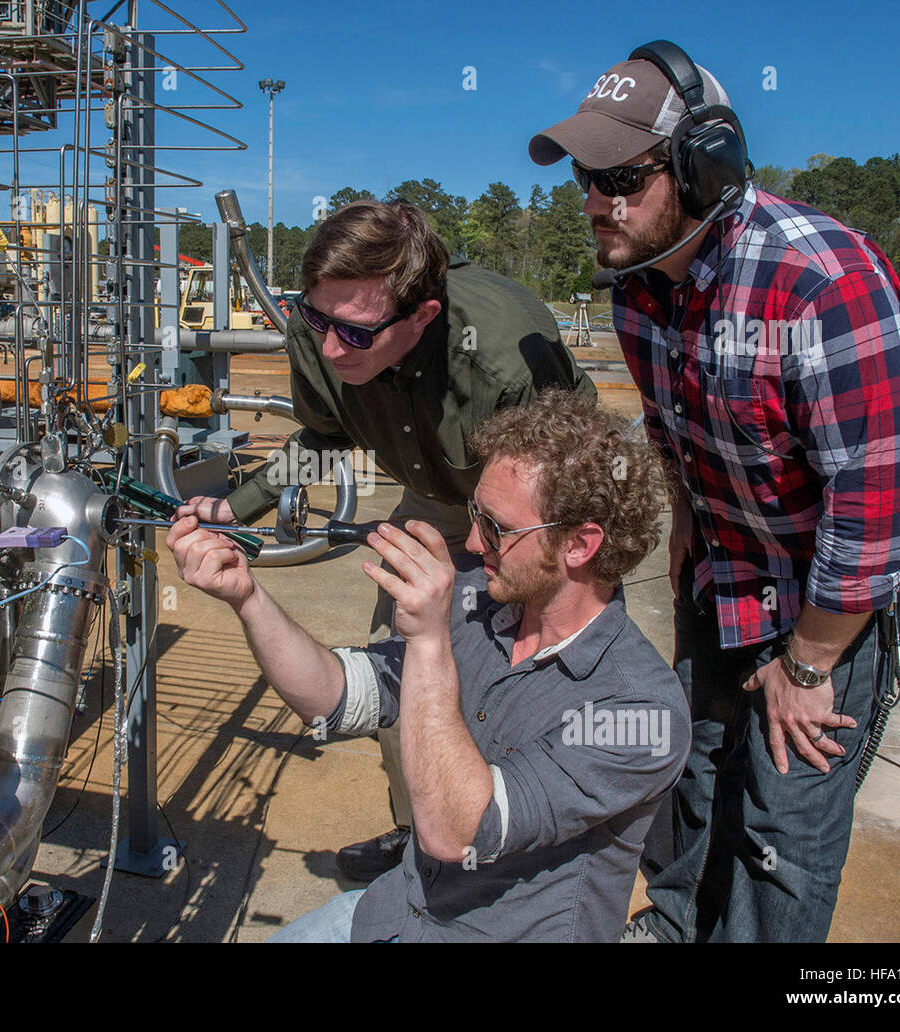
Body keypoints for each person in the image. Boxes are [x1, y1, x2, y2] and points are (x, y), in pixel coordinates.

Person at [528, 40, 900, 942]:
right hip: (727, 553)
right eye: (586, 181)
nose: (598, 201)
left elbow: (876, 508)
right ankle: (678, 927)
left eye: (622, 177)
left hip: (839, 581)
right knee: (695, 758)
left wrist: (809, 665)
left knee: (782, 815)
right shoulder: (637, 288)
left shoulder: (820, 281)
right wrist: (687, 511)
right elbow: (670, 416)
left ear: (702, 167)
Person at [168, 388, 688, 941]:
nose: (470, 541)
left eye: (497, 528)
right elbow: (335, 698)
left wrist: (430, 640)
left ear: (580, 545)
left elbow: (461, 832)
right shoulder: (480, 603)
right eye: (475, 516)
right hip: (397, 910)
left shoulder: (641, 711)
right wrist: (246, 597)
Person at [179, 200, 595, 881]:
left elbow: (562, 493)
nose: (331, 346)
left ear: (423, 316)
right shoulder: (320, 329)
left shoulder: (502, 361)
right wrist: (234, 508)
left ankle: (528, 862)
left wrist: (506, 586)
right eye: (318, 320)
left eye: (356, 333)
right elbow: (324, 439)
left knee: (530, 682)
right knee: (404, 675)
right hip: (435, 497)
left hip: (540, 505)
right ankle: (423, 838)